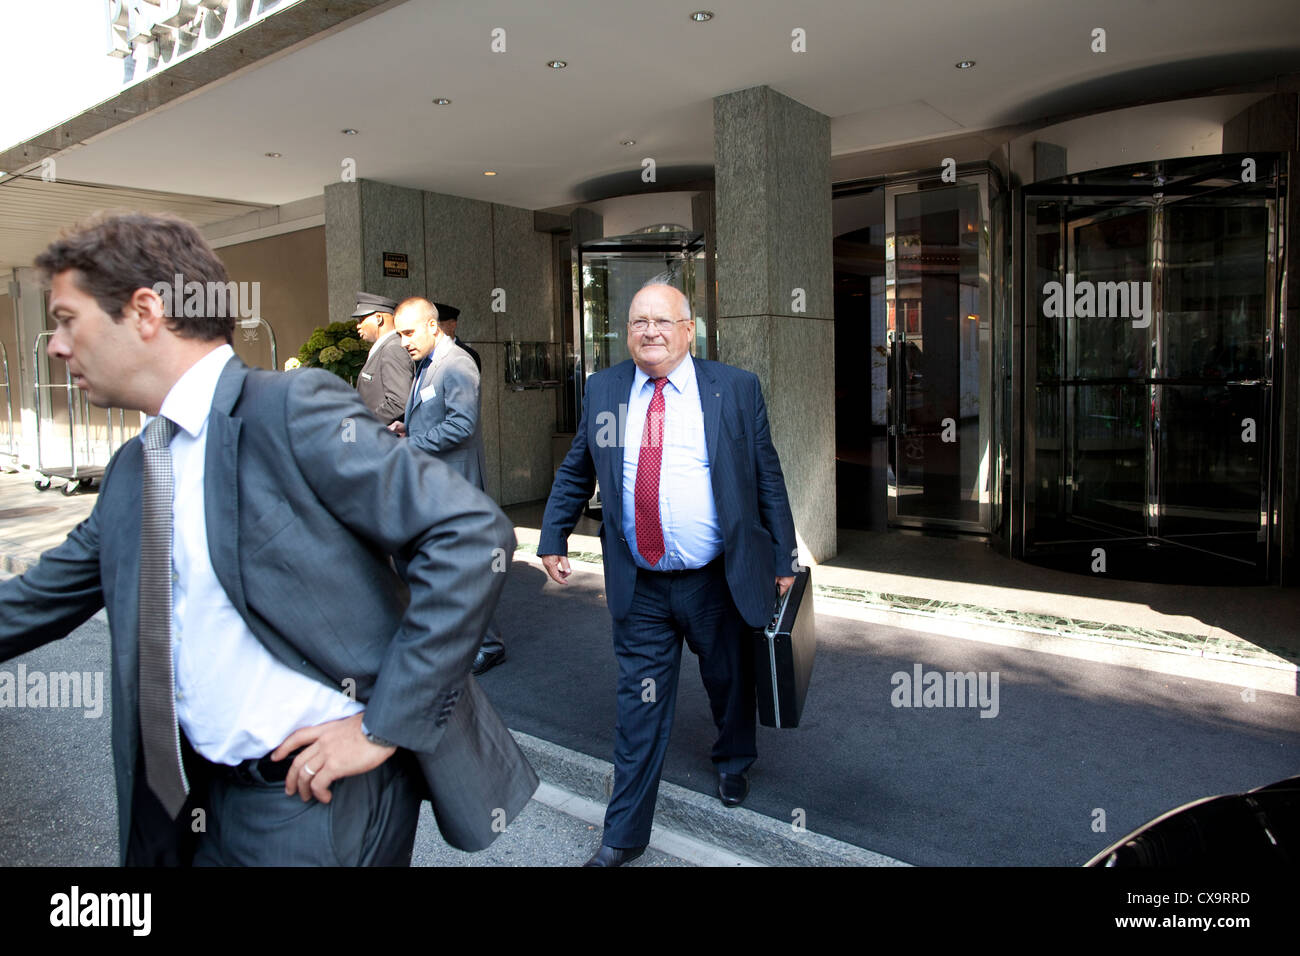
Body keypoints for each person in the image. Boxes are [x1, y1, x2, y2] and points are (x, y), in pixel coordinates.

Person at [0, 212, 536, 866]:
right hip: (189, 803)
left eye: (65, 317)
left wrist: (384, 723)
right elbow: (32, 602)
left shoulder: (286, 408)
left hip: (307, 809)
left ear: (144, 311)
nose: (54, 345)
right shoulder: (133, 470)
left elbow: (468, 532)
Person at [538, 282, 798, 867]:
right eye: (637, 322)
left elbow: (767, 478)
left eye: (661, 321)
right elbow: (580, 463)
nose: (649, 332)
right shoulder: (605, 389)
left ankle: (733, 759)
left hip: (715, 578)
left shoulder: (733, 388)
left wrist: (783, 559)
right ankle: (621, 838)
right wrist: (554, 534)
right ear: (625, 331)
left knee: (729, 679)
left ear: (688, 329)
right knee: (639, 705)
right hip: (642, 581)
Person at [390, 297, 507, 676]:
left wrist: (410, 442)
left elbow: (461, 426)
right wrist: (408, 428)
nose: (404, 341)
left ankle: (487, 645)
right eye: (399, 335)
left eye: (409, 333)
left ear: (433, 326)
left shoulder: (455, 364)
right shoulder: (427, 364)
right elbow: (437, 418)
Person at [353, 290, 413, 425]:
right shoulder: (387, 346)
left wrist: (365, 423)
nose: (358, 325)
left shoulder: (393, 348)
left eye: (361, 319)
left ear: (379, 318)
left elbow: (399, 402)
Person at [436, 301, 481, 372]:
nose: (435, 330)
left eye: (440, 325)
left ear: (453, 325)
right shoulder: (425, 355)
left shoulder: (468, 354)